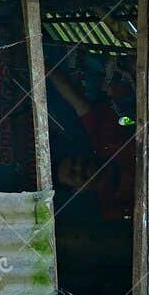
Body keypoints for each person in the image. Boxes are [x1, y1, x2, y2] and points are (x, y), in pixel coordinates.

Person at [47, 55, 136, 221]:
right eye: (74, 174)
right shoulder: (112, 206)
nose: (80, 168)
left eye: (75, 163)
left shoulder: (102, 141)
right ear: (78, 191)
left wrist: (42, 66)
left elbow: (78, 103)